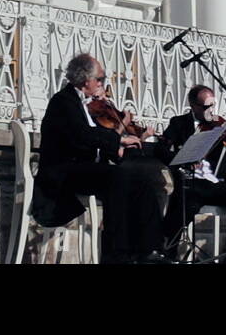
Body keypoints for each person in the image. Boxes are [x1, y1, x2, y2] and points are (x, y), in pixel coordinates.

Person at [33, 53, 172, 264]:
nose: (102, 84)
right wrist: (119, 139)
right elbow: (82, 136)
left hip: (82, 168)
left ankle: (150, 249)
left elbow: (95, 143)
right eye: (99, 79)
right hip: (63, 172)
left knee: (142, 182)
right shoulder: (63, 101)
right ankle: (116, 254)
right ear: (85, 80)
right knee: (118, 178)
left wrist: (122, 142)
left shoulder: (86, 105)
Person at [156, 84, 226, 259]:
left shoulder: (220, 125)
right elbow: (161, 150)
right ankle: (170, 249)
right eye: (205, 107)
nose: (210, 110)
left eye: (213, 105)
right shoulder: (179, 123)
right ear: (193, 105)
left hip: (216, 184)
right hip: (191, 182)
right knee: (188, 201)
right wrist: (182, 160)